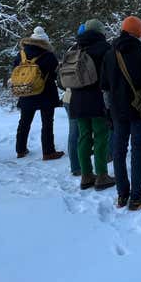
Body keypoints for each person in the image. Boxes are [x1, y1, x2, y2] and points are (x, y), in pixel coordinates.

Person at [102, 16, 141, 211]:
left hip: (118, 113)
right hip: (139, 111)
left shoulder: (110, 54)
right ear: (139, 32)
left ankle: (122, 194)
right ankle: (136, 196)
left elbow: (105, 88)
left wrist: (108, 113)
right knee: (138, 151)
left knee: (119, 152)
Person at [70, 19, 116, 191]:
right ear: (101, 32)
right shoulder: (105, 49)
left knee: (83, 137)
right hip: (97, 101)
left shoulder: (76, 48)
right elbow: (111, 77)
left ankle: (86, 175)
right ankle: (102, 175)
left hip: (77, 100)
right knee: (101, 137)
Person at [13, 26, 65, 161]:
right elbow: (55, 74)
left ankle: (20, 149)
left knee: (24, 122)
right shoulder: (48, 55)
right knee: (47, 123)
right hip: (45, 93)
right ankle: (48, 151)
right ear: (45, 41)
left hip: (26, 91)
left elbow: (15, 70)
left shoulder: (21, 54)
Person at [62, 24, 86, 176]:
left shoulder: (70, 52)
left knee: (74, 133)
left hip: (68, 97)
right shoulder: (87, 53)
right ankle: (79, 167)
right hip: (81, 98)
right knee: (80, 133)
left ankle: (75, 166)